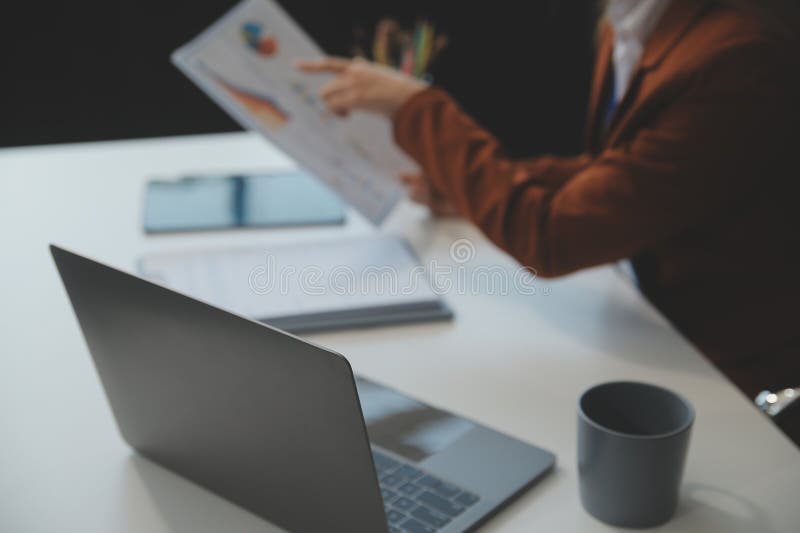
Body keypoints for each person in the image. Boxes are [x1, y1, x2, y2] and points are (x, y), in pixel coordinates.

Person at [298, 0, 800, 442]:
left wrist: (416, 107)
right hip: (642, 325)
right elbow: (628, 171)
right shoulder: (632, 21)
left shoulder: (735, 58)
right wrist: (479, 184)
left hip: (720, 374)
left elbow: (551, 238)